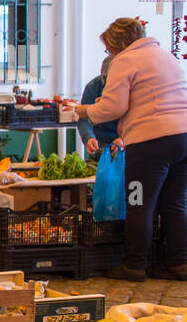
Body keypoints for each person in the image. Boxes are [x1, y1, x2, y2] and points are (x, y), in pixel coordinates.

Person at [74, 17, 187, 282]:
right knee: (176, 204)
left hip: (150, 144)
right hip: (183, 138)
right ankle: (179, 263)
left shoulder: (125, 60)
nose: (110, 55)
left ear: (121, 44)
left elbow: (112, 108)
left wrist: (83, 110)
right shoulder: (166, 56)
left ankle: (134, 266)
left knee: (138, 203)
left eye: (110, 49)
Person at [76, 55, 119, 156]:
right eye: (106, 79)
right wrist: (89, 137)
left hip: (127, 141)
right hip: (100, 142)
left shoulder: (132, 89)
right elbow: (84, 119)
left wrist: (124, 139)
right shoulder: (92, 87)